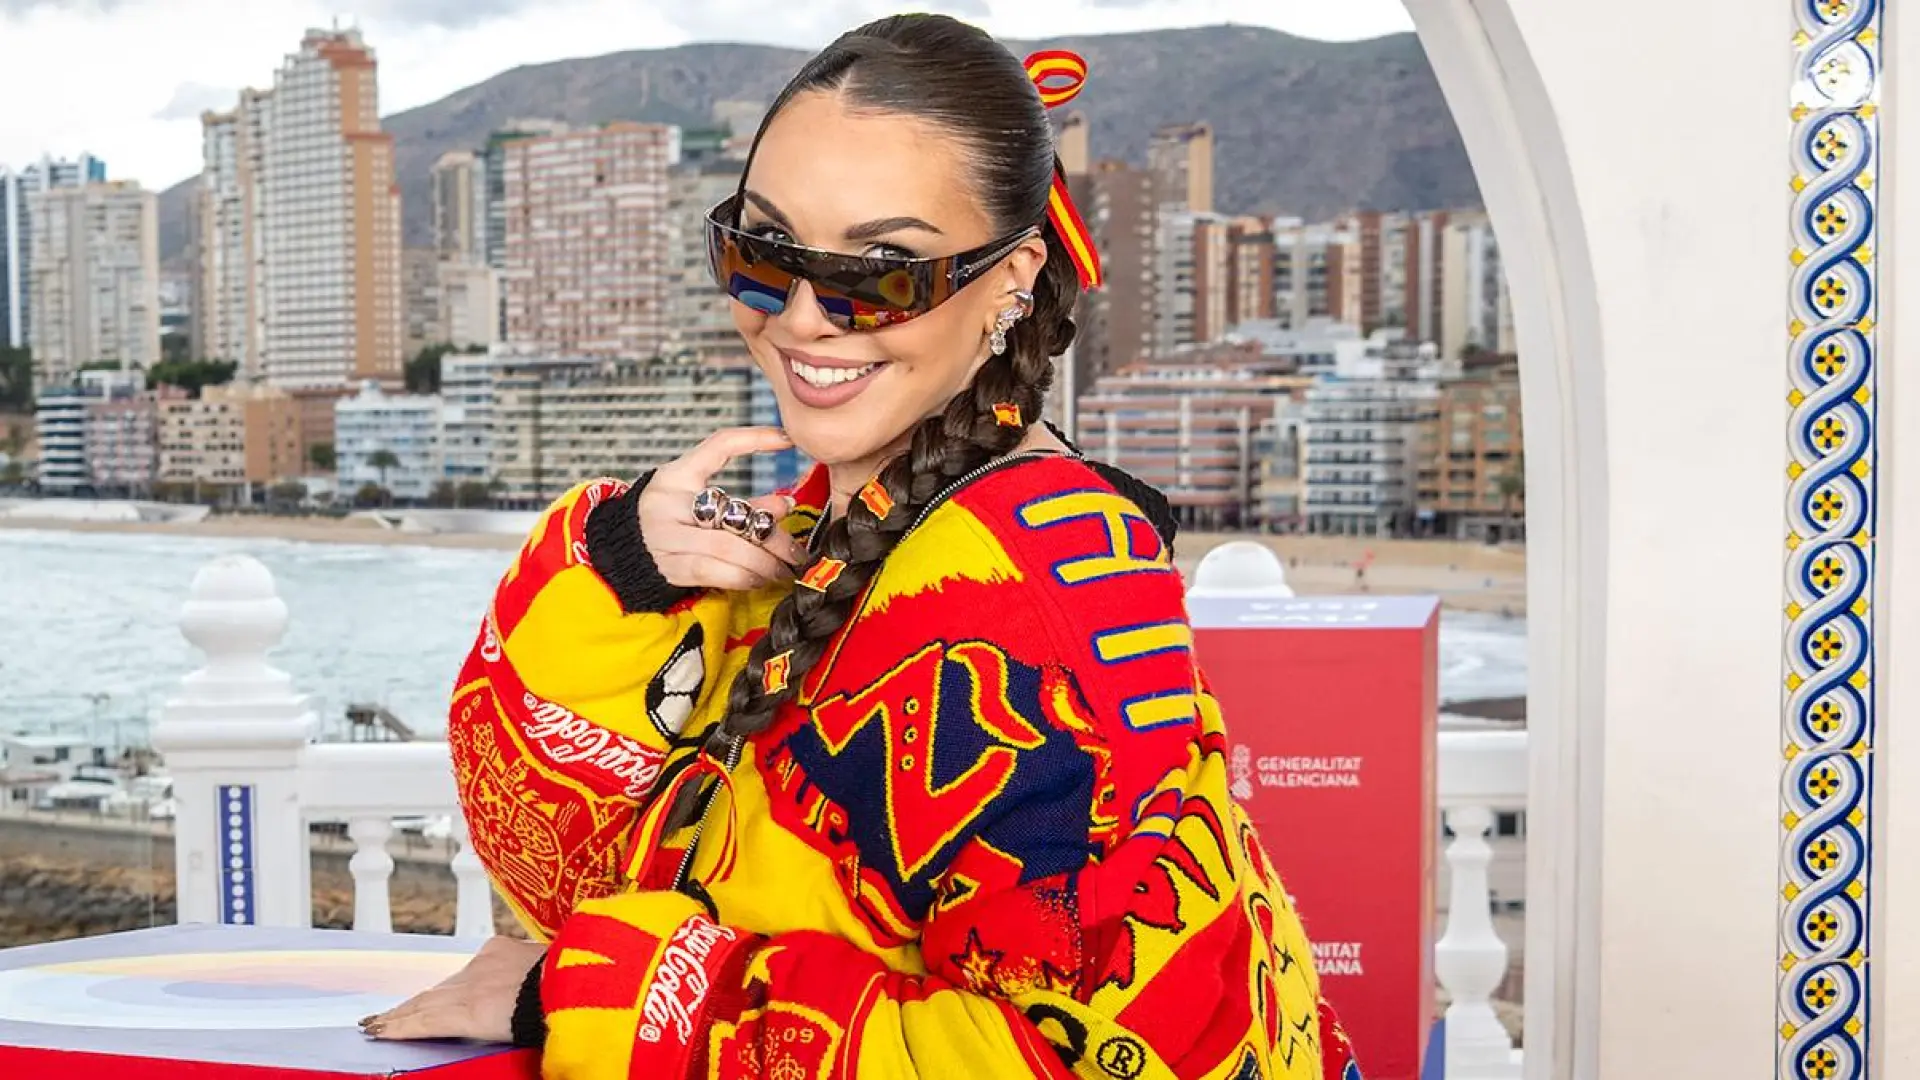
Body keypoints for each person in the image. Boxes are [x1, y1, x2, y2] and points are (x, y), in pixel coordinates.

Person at [363, 14, 1361, 1079]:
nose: (801, 318)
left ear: (1015, 276)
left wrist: (607, 998)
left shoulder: (1024, 608)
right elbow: (554, 878)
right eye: (763, 250)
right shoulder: (849, 543)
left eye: (882, 267)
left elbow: (1110, 1056)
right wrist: (619, 570)